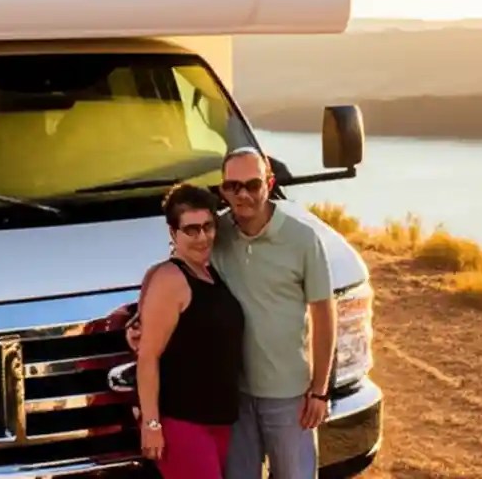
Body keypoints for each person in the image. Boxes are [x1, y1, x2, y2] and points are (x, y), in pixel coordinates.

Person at [129, 147, 337, 479]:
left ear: (269, 182)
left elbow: (324, 316)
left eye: (252, 185)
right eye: (232, 186)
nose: (242, 194)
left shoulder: (303, 240)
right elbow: (175, 272)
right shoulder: (217, 230)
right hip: (234, 399)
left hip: (288, 396)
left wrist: (320, 389)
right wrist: (141, 318)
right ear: (223, 189)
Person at [134, 183, 246, 478]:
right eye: (191, 230)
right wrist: (152, 424)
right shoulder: (170, 278)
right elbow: (147, 357)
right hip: (183, 424)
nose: (202, 237)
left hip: (219, 422)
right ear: (173, 233)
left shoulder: (211, 273)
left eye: (208, 227)